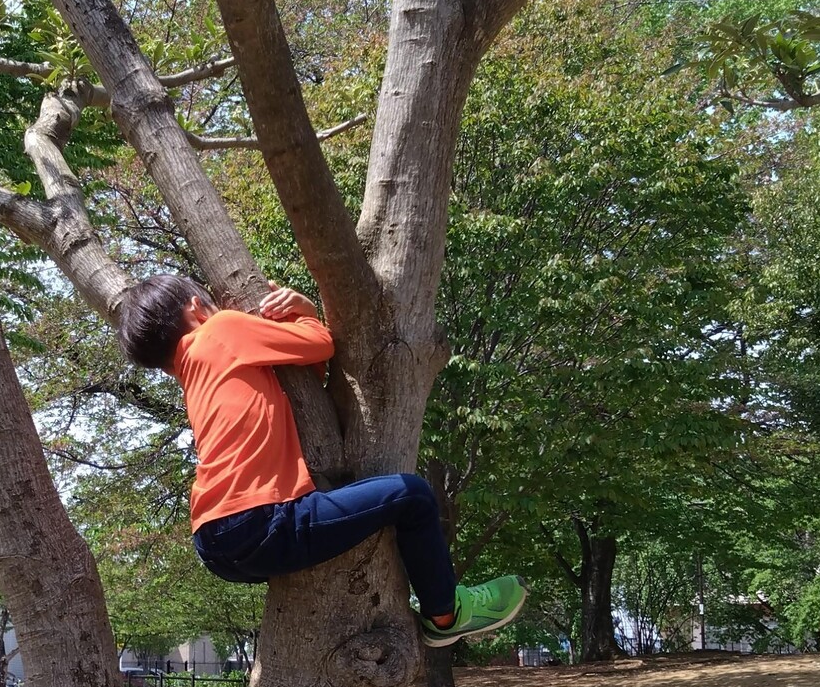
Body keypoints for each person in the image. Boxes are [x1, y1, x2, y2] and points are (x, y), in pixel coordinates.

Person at [116, 275, 526, 647]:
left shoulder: (195, 375)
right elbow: (320, 343)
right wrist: (306, 311)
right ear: (196, 307)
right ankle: (446, 615)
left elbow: (304, 378)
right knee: (413, 496)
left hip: (214, 542)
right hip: (260, 522)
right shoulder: (220, 330)